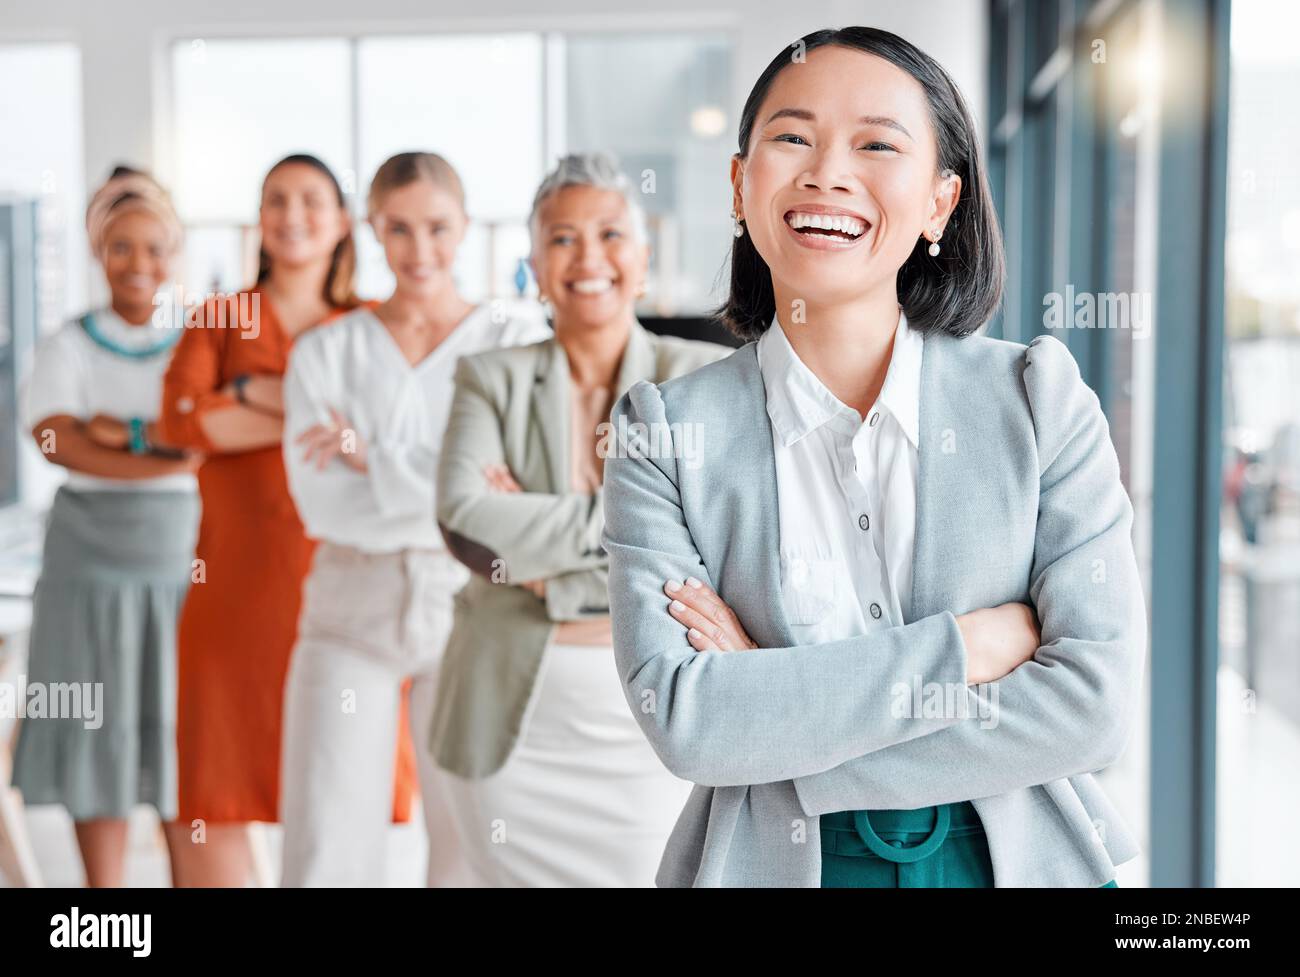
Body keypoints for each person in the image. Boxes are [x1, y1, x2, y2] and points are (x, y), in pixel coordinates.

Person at [601, 27, 1145, 887]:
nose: (827, 172)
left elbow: (1091, 710)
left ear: (939, 202)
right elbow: (686, 720)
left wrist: (776, 703)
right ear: (740, 185)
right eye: (792, 137)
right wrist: (963, 648)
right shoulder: (661, 433)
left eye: (876, 144)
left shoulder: (1038, 399)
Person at [429, 152, 730, 886]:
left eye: (609, 234)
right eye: (562, 238)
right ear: (533, 261)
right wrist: (642, 522)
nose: (587, 257)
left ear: (643, 256)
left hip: (654, 720)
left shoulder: (701, 374)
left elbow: (716, 536)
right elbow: (464, 512)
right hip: (511, 719)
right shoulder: (488, 375)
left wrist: (537, 554)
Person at [279, 152, 550, 886]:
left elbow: (523, 480)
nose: (419, 248)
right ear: (372, 229)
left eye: (437, 226)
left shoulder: (511, 335)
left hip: (475, 597)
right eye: (398, 228)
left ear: (464, 225)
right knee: (326, 828)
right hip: (348, 600)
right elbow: (319, 498)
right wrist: (455, 473)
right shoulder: (325, 352)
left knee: (474, 831)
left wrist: (373, 458)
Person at [155, 153, 418, 886]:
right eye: (276, 199)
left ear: (342, 222)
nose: (292, 214)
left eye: (311, 199)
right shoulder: (222, 315)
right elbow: (180, 421)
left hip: (347, 591)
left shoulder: (371, 323)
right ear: (259, 220)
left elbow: (392, 440)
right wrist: (311, 410)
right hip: (232, 592)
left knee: (342, 790)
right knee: (217, 787)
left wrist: (247, 393)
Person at [15, 166, 199, 887]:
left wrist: (117, 431)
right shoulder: (67, 344)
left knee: (183, 732)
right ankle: (107, 909)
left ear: (175, 250)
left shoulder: (198, 341)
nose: (139, 264)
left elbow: (206, 436)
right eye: (121, 247)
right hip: (86, 570)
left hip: (182, 563)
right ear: (98, 250)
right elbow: (55, 440)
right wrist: (161, 447)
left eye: (154, 248)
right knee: (97, 730)